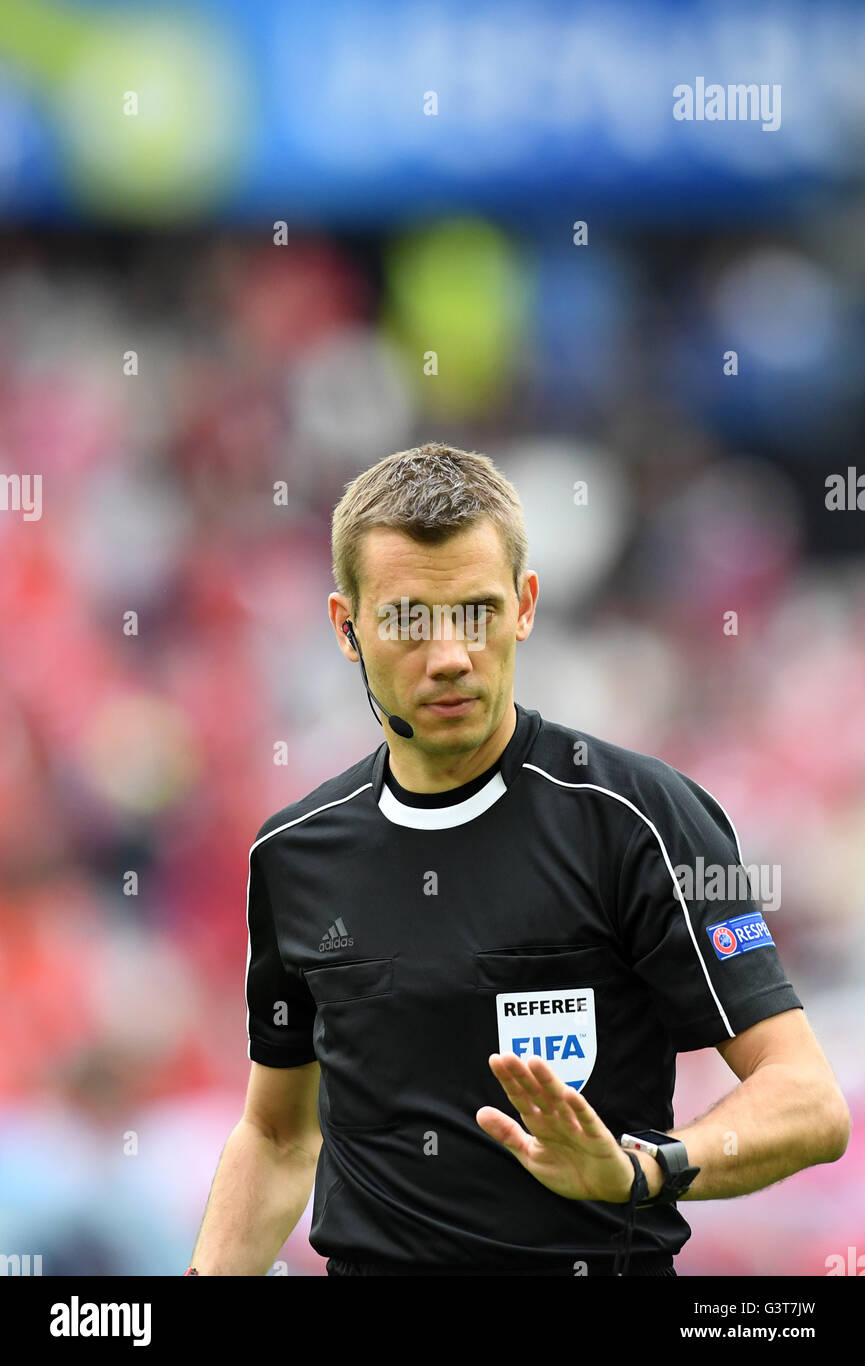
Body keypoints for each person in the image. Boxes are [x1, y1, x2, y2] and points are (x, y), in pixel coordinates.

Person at [186, 442, 850, 1276]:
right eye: (407, 620)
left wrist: (644, 1170)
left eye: (476, 613)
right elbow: (279, 1137)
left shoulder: (635, 819)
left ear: (525, 606)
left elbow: (807, 1101)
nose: (450, 656)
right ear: (345, 627)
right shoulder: (294, 854)